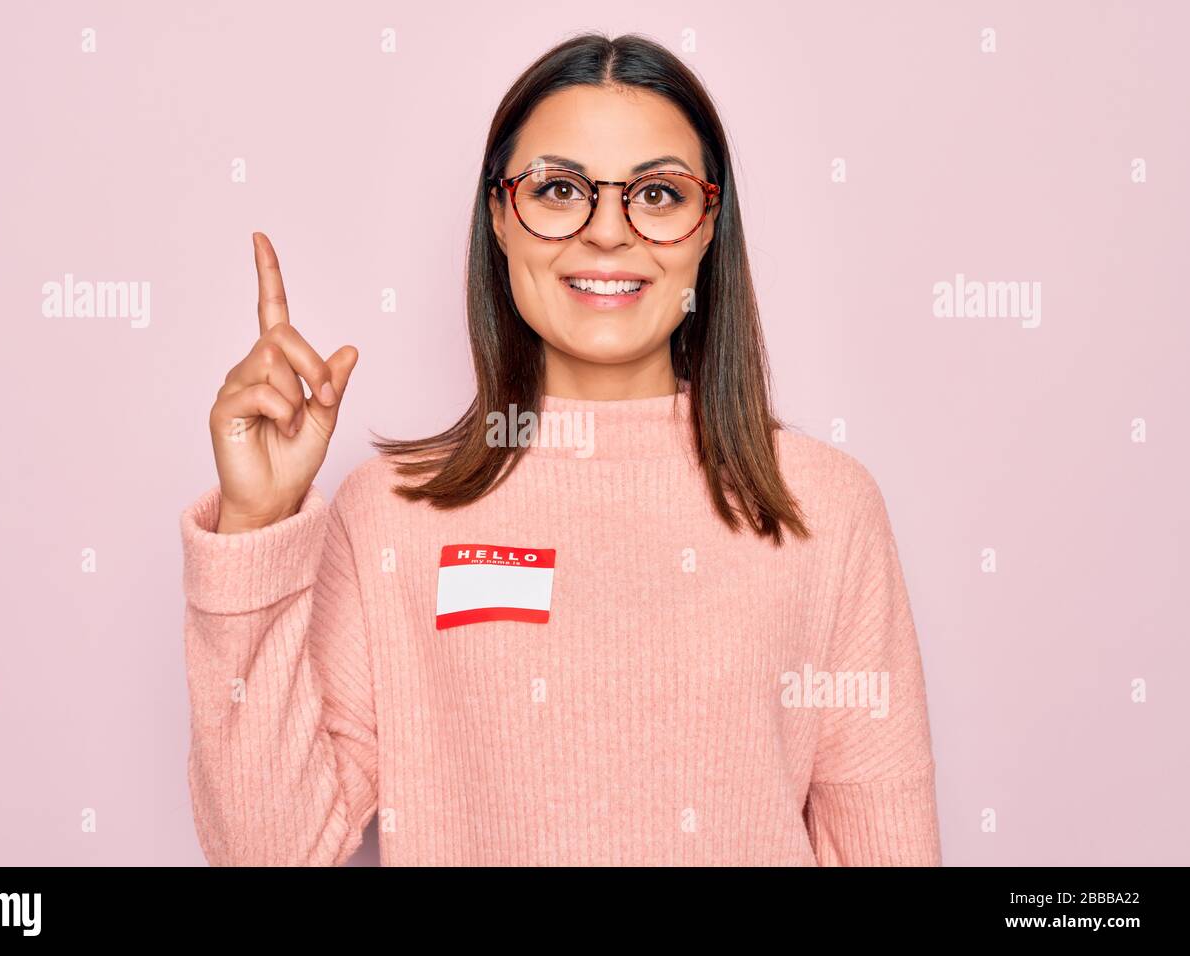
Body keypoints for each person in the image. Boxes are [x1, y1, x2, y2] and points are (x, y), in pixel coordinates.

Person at [179, 32, 941, 866]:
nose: (607, 233)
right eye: (559, 188)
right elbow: (270, 852)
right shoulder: (390, 514)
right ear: (502, 218)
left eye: (656, 193)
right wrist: (256, 524)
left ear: (708, 225)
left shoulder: (823, 508)